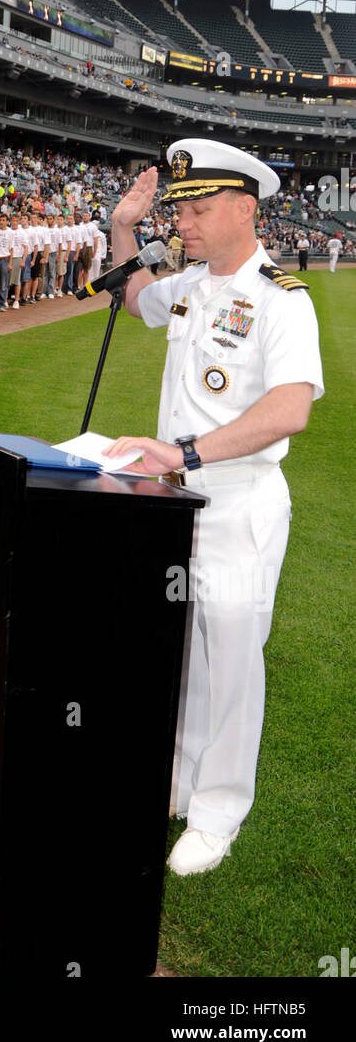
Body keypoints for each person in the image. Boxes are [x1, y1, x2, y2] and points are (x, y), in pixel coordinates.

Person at [104, 139, 324, 876]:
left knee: (230, 662)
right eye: (179, 210)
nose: (185, 223)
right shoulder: (192, 283)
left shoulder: (280, 299)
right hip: (178, 500)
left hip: (236, 505)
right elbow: (131, 298)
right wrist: (124, 227)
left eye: (197, 209)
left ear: (243, 208)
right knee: (182, 649)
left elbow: (290, 409)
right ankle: (179, 780)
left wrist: (188, 452)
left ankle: (219, 809)